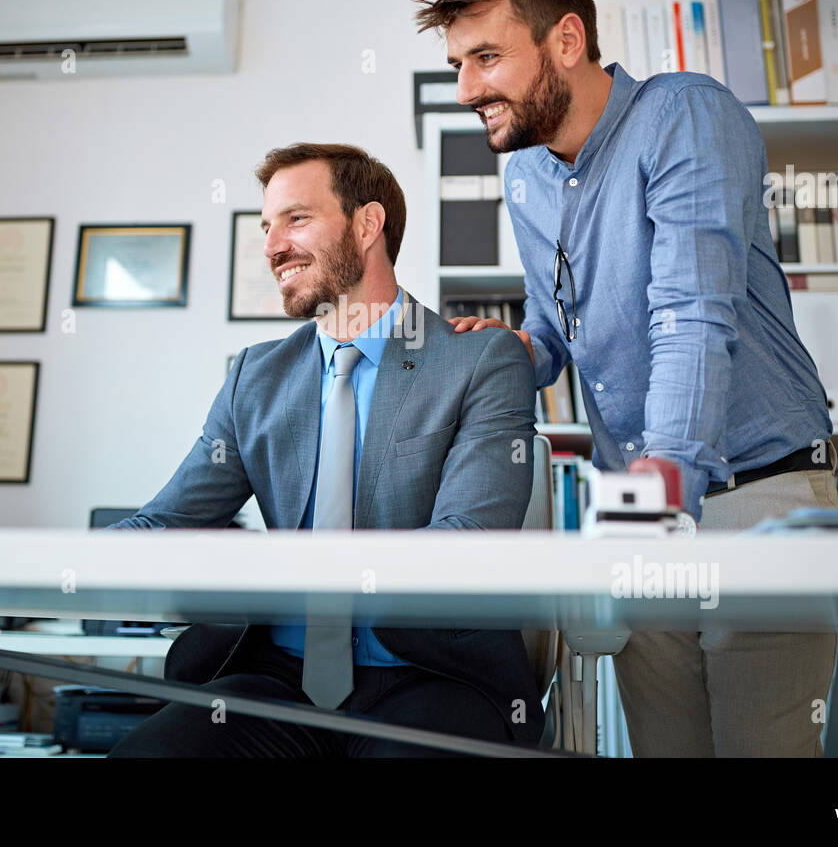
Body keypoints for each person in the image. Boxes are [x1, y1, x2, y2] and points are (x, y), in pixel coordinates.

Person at [415, 0, 838, 757]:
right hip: (645, 509)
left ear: (566, 41)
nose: (465, 87)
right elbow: (554, 328)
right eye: (458, 63)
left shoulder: (683, 114)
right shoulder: (526, 175)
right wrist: (506, 351)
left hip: (756, 492)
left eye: (487, 57)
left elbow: (691, 308)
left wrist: (665, 478)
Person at [103, 143, 543, 756]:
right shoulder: (255, 377)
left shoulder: (479, 361)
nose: (272, 245)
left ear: (367, 225)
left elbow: (470, 540)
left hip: (431, 677)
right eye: (267, 226)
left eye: (296, 219)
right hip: (277, 676)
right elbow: (165, 521)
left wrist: (266, 565)